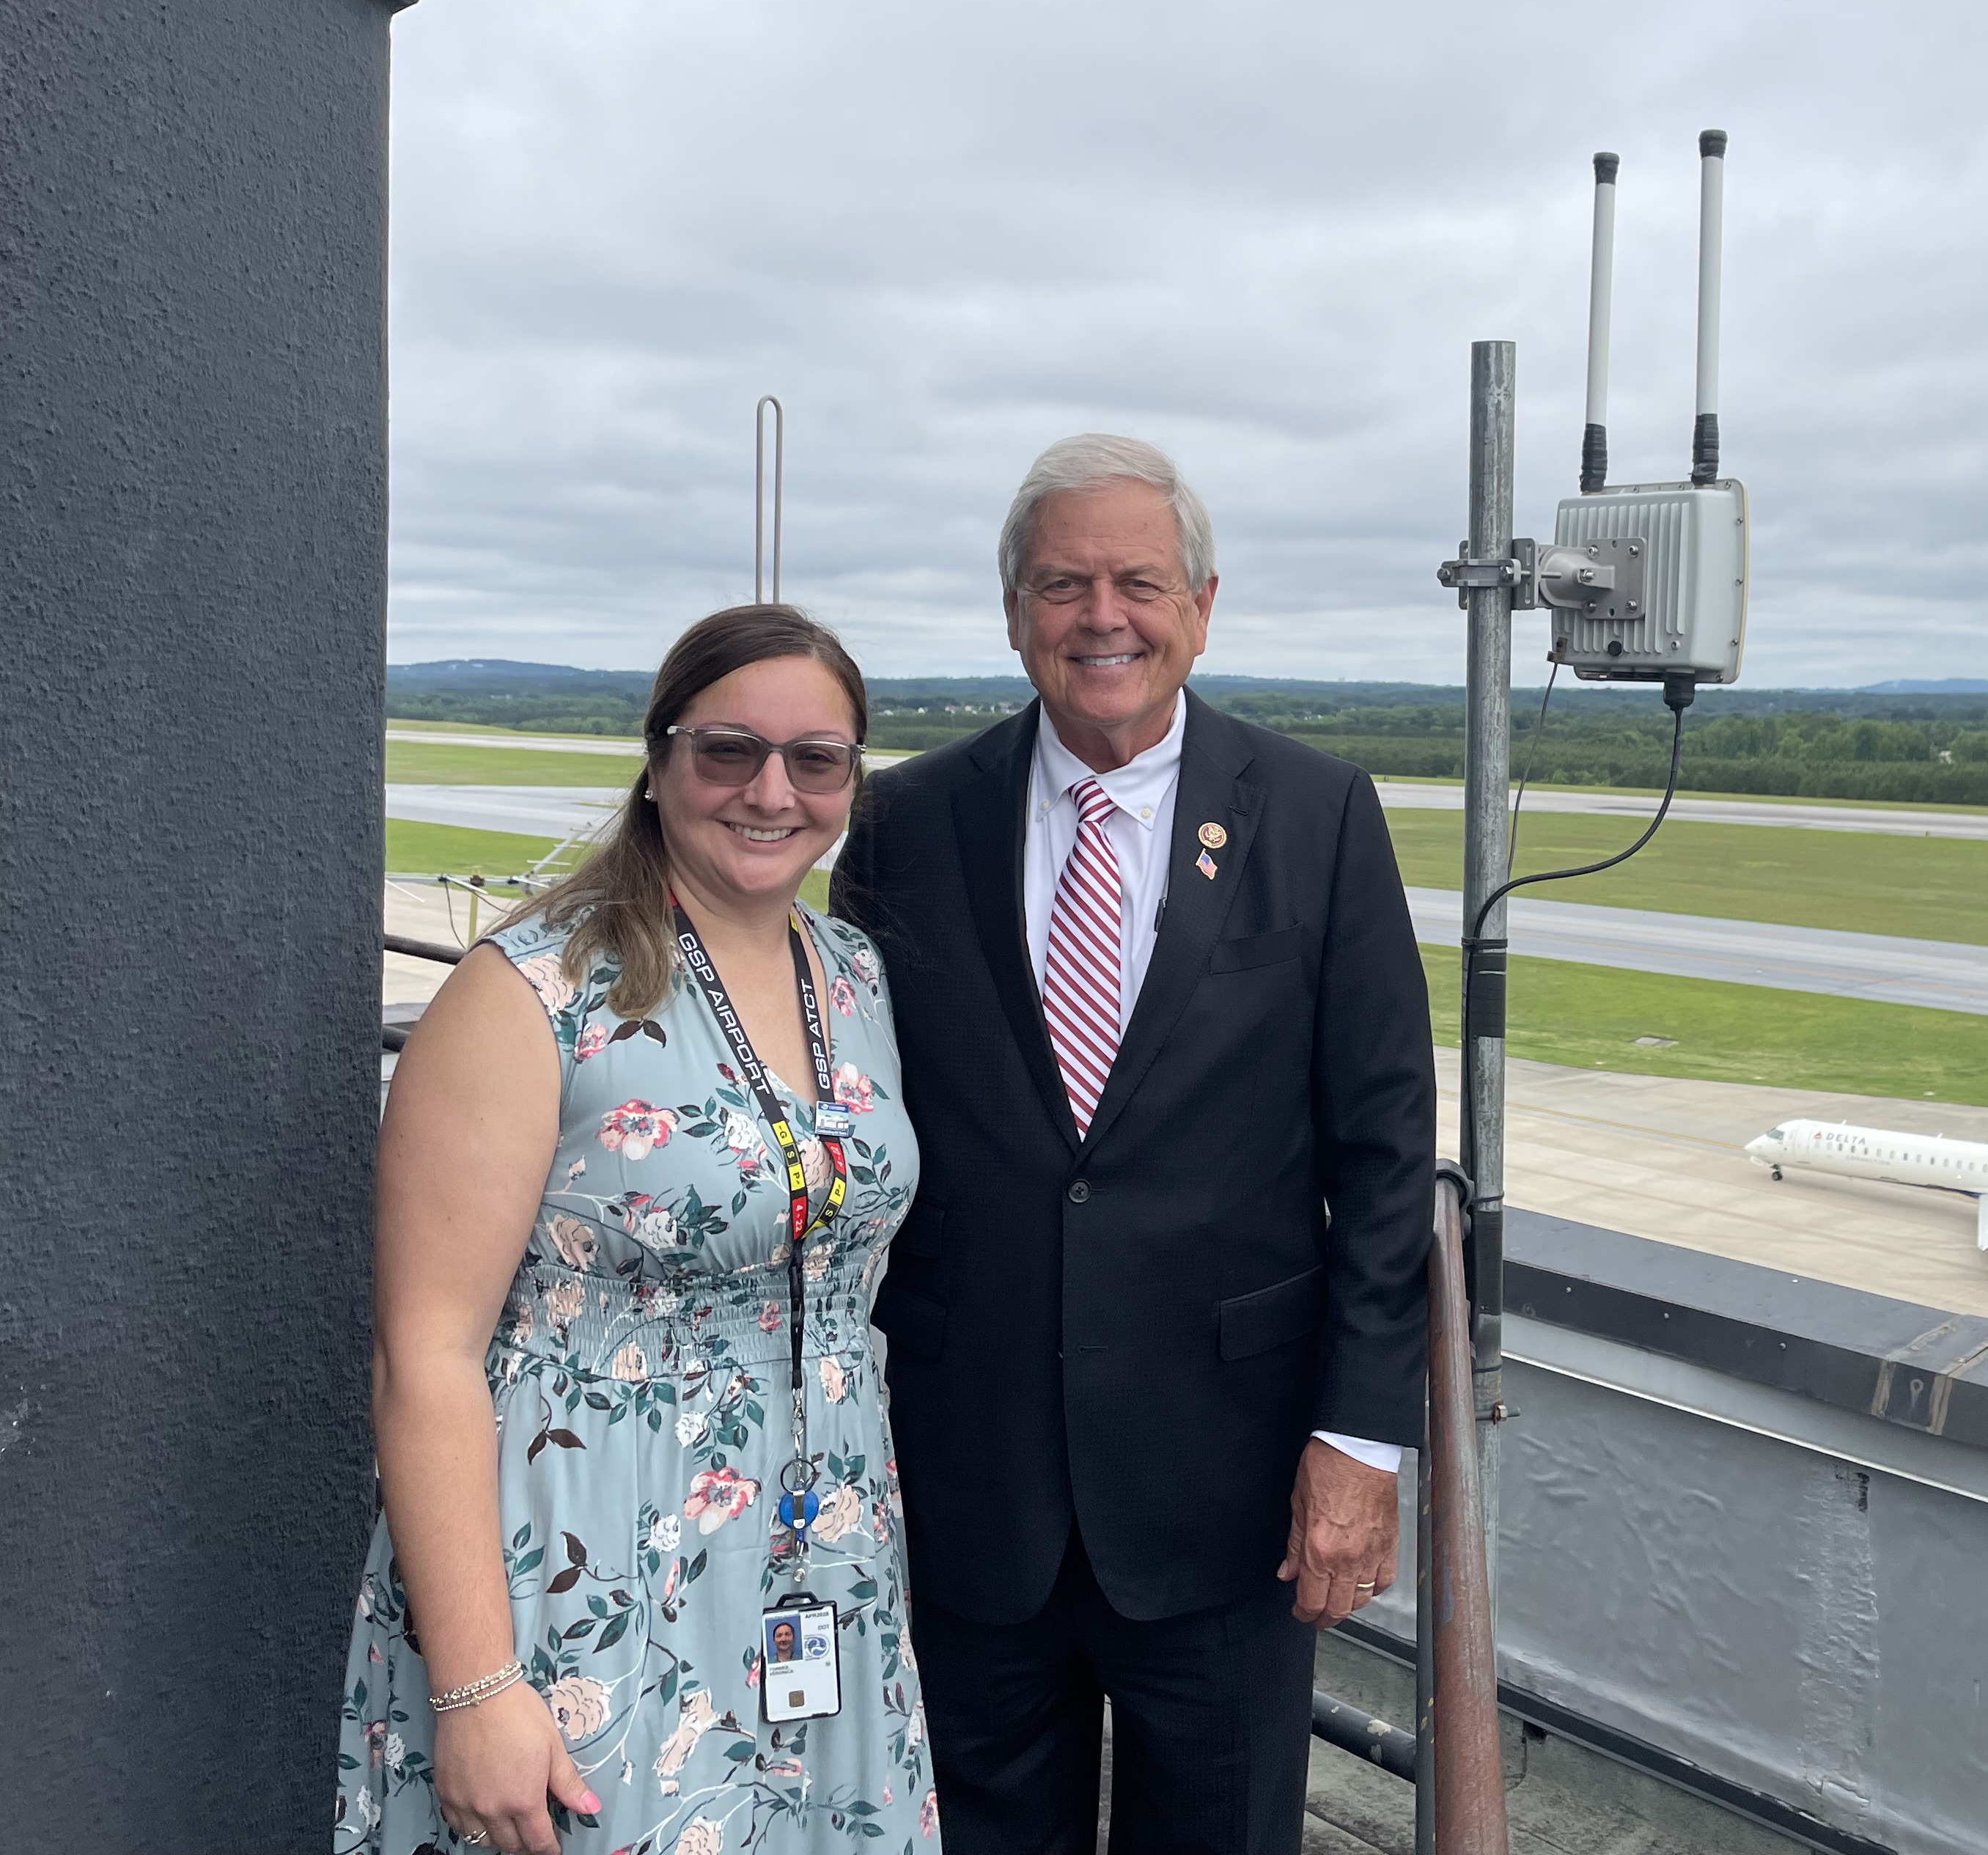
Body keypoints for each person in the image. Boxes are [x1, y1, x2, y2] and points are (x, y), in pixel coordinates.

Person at [833, 433, 1433, 1854]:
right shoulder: (905, 821)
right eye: (1062, 584)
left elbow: (1388, 1151)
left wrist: (1359, 1445)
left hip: (1226, 1495)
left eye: (1138, 582)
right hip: (969, 1480)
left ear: (1203, 606)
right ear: (1013, 612)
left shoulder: (1318, 814)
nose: (1103, 616)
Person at [336, 607, 933, 1855]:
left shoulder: (855, 973)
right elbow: (423, 1353)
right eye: (728, 750)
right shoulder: (532, 993)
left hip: (823, 1563)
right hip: (589, 1568)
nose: (771, 790)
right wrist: (475, 1686)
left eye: (815, 759)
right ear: (659, 764)